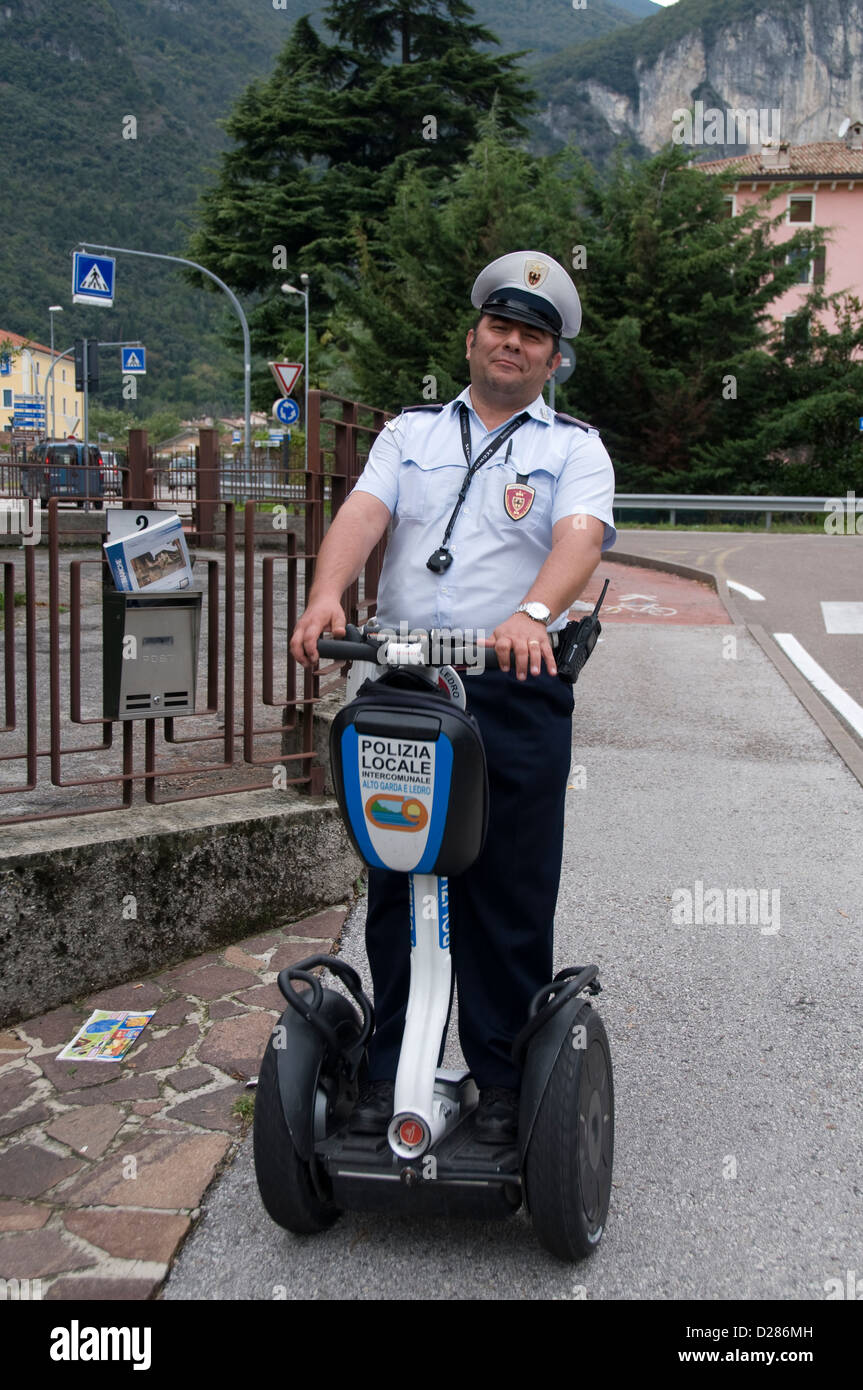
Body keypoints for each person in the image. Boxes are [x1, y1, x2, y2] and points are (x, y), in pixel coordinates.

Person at [290, 250, 616, 1142]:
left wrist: (532, 612)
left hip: (512, 687)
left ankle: (507, 1080)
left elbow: (579, 538)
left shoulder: (572, 448)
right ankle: (398, 1060)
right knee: (399, 881)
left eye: (533, 336)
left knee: (507, 891)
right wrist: (328, 595)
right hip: (404, 687)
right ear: (473, 337)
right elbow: (364, 512)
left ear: (555, 360)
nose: (512, 343)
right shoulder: (410, 435)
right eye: (500, 327)